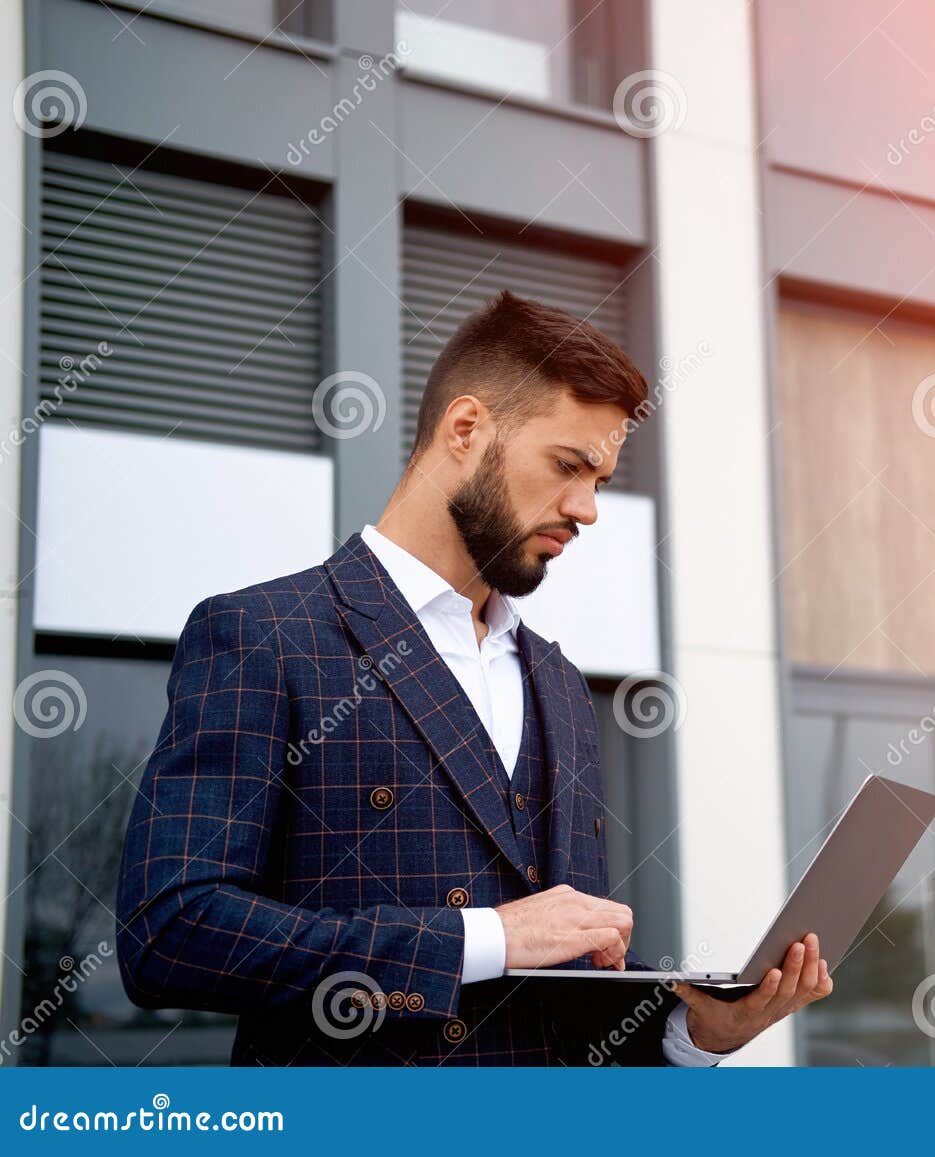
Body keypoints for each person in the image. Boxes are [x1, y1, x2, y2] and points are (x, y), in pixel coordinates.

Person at [116, 290, 830, 1065]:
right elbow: (170, 931)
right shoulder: (264, 636)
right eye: (568, 465)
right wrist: (484, 936)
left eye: (601, 479)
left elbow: (560, 1008)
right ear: (466, 428)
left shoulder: (559, 683)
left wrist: (694, 1033)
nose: (587, 508)